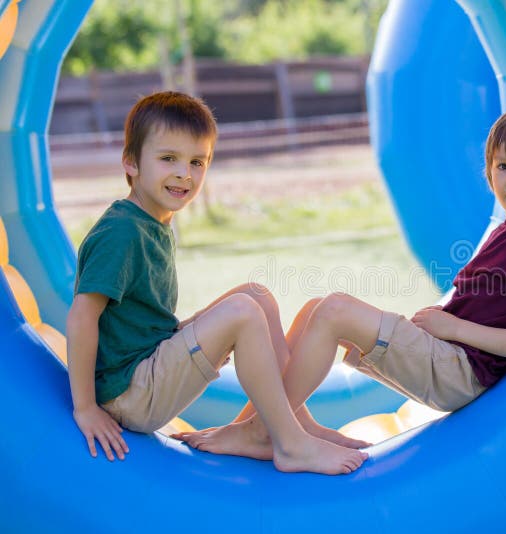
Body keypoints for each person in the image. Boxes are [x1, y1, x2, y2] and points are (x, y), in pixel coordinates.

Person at [173, 103, 506, 457]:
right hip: (447, 352)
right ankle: (282, 425)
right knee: (318, 307)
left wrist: (454, 326)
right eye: (503, 165)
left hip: (461, 369)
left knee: (334, 312)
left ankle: (264, 432)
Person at [66, 91, 368, 475]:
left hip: (149, 361)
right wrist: (86, 407)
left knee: (254, 295)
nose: (184, 174)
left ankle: (292, 423)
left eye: (197, 162)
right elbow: (81, 318)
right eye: (168, 159)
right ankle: (290, 446)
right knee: (242, 313)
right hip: (130, 393)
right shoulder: (121, 232)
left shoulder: (151, 221)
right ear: (131, 162)